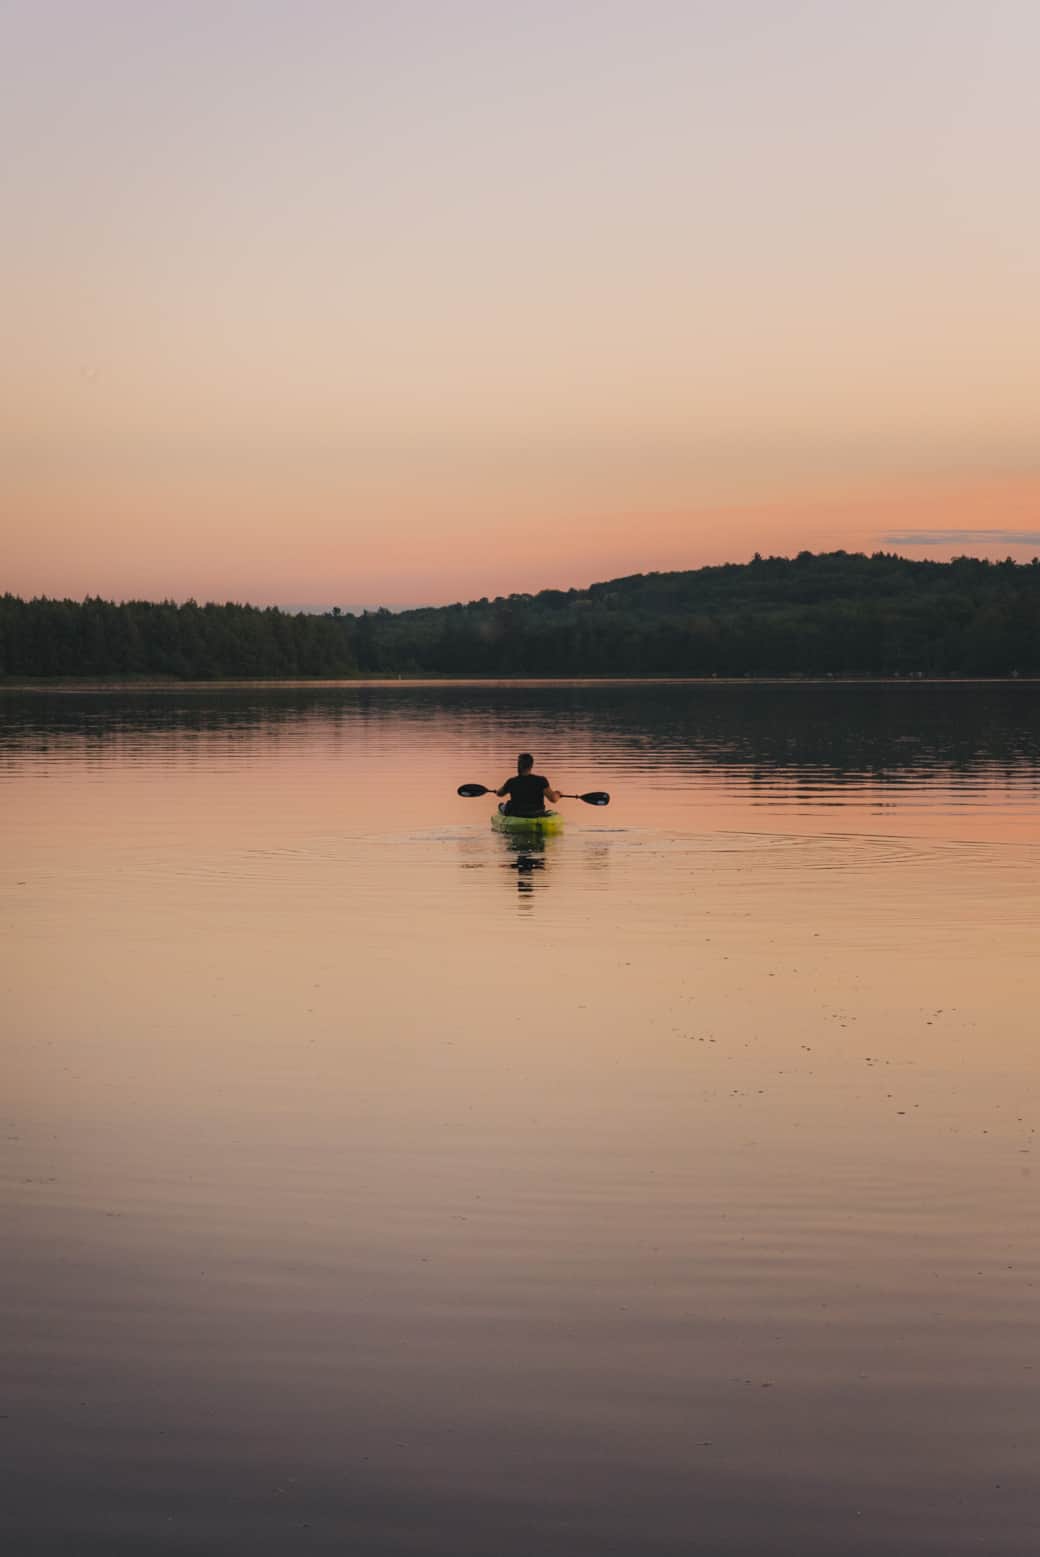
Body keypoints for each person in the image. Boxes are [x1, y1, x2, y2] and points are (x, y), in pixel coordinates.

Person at [495, 753, 561, 817]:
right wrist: (557, 794)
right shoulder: (541, 781)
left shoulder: (511, 782)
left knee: (501, 805)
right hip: (537, 813)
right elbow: (553, 799)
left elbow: (499, 793)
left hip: (517, 814)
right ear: (531, 765)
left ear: (519, 765)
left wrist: (497, 791)